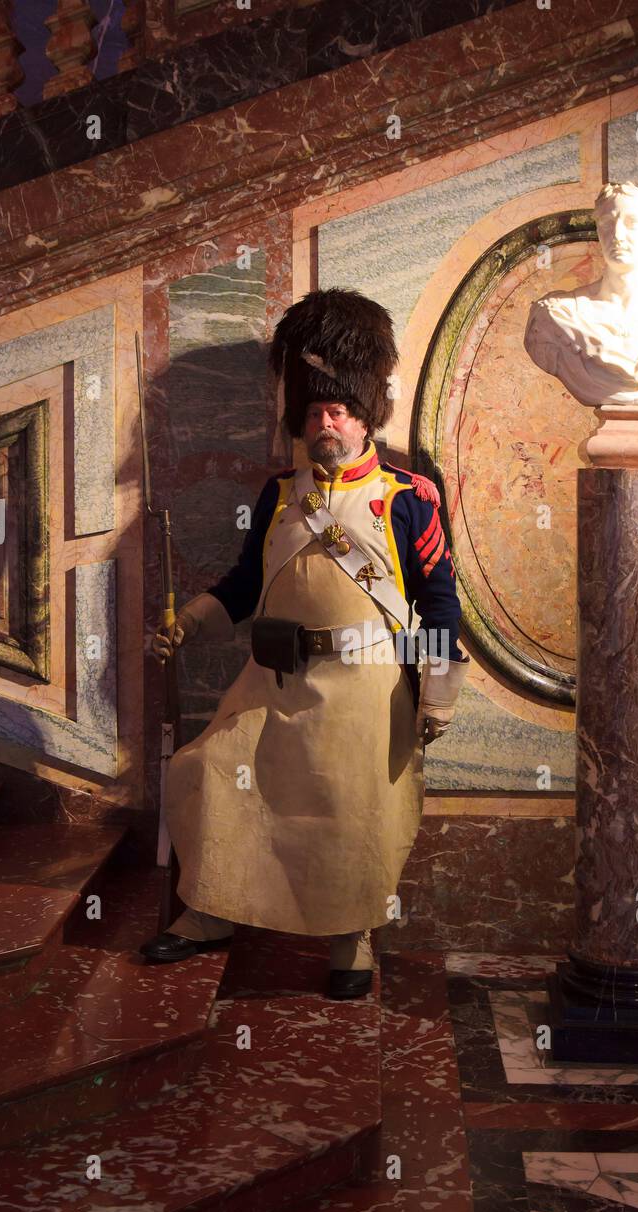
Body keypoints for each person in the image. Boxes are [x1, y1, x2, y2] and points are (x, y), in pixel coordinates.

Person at [140, 288, 470, 999]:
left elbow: (441, 600)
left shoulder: (409, 495)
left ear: (365, 412)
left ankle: (352, 941)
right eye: (318, 408)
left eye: (342, 408)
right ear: (301, 413)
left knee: (354, 820)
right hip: (274, 681)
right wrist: (190, 622)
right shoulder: (277, 493)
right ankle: (211, 912)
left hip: (365, 691)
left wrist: (438, 693)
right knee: (212, 779)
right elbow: (241, 582)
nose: (329, 420)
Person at [524, 181, 638, 407]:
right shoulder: (556, 314)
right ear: (598, 233)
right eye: (607, 223)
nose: (618, 235)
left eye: (631, 223)